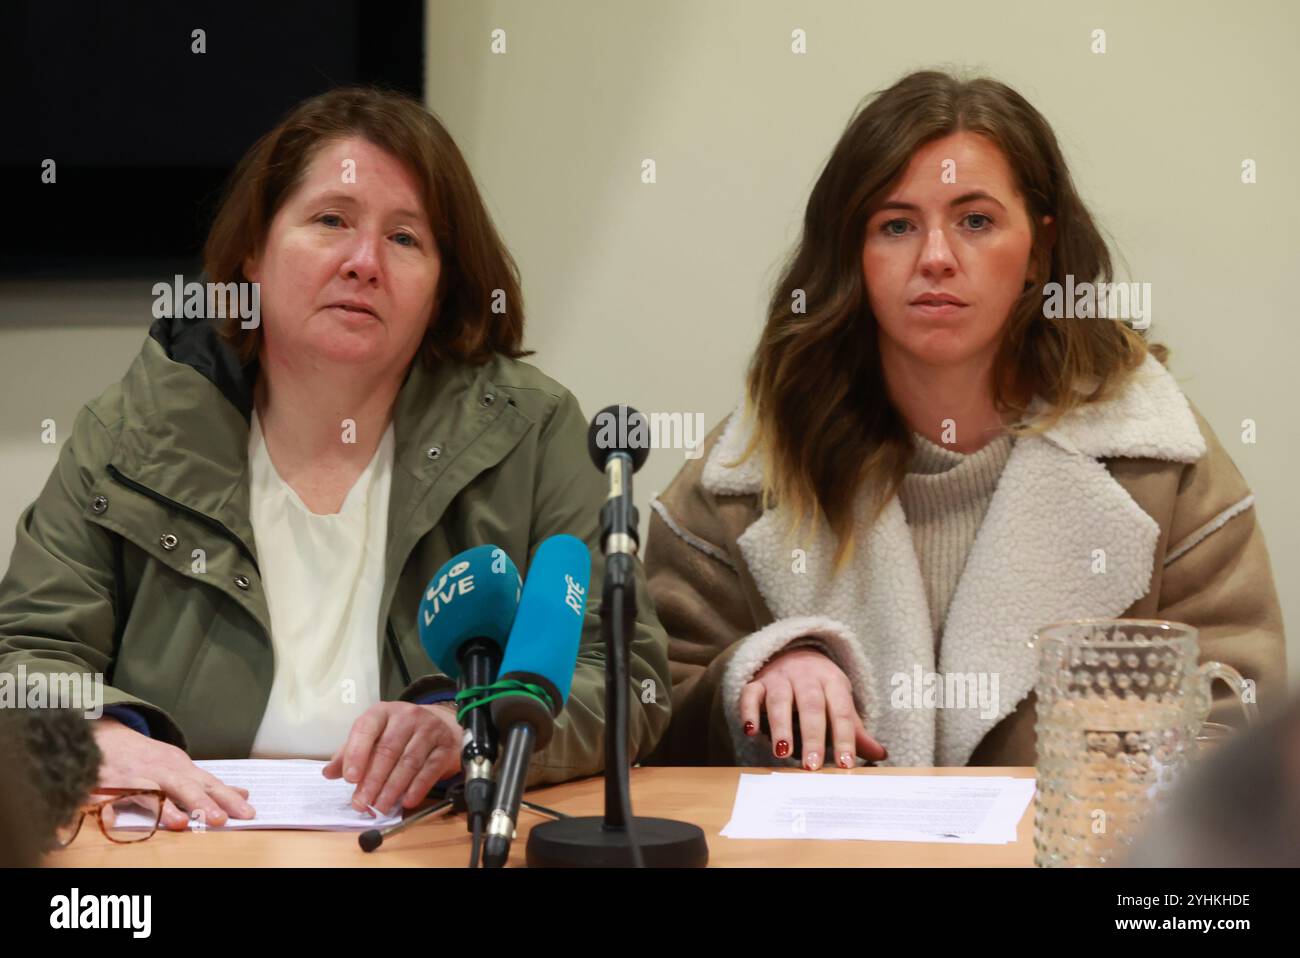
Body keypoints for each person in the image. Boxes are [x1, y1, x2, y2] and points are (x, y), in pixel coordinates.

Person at [0, 86, 670, 831]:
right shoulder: (132, 432)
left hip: (431, 846)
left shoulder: (531, 432)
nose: (364, 262)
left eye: (406, 239)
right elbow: (24, 657)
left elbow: (622, 677)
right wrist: (100, 736)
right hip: (187, 848)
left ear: (441, 286)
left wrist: (472, 730)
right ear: (252, 254)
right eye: (331, 221)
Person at [645, 70, 1285, 772]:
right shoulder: (744, 476)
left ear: (1040, 249)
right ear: (851, 254)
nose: (937, 259)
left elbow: (1241, 725)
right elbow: (645, 717)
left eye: (975, 221)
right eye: (896, 225)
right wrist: (754, 673)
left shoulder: (1162, 464)